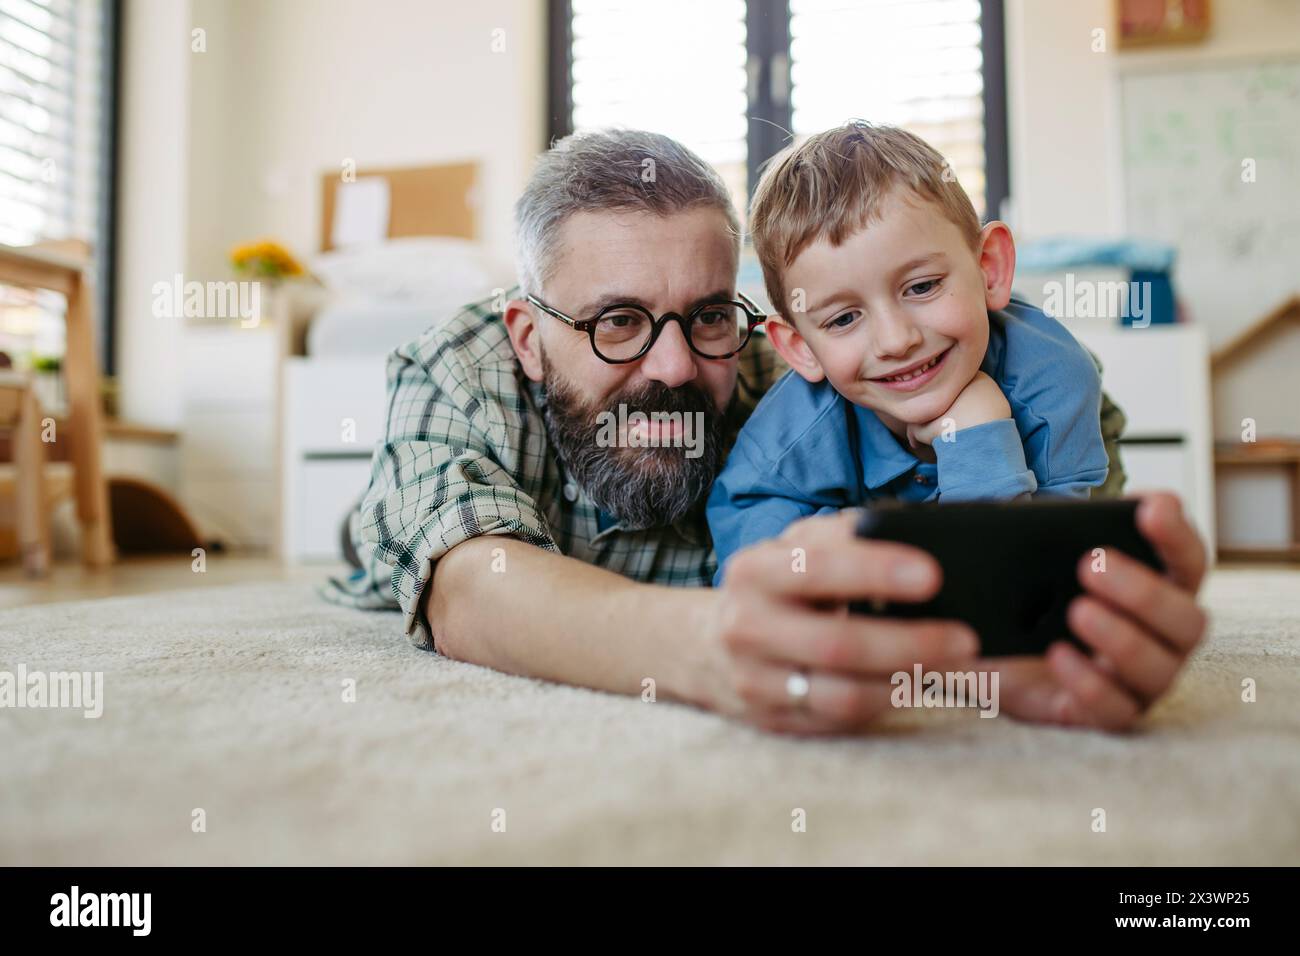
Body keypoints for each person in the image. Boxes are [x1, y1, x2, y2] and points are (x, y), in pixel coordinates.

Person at [323, 128, 1208, 735]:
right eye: (619, 322)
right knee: (383, 536)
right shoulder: (462, 367)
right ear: (528, 333)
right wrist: (713, 646)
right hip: (398, 539)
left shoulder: (787, 373)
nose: (673, 368)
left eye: (706, 314)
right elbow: (474, 590)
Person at [709, 121, 1114, 576]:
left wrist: (978, 438)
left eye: (921, 287)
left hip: (1073, 446)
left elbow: (1020, 576)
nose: (897, 340)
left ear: (989, 269)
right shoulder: (794, 432)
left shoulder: (1055, 385)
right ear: (801, 348)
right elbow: (748, 550)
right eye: (843, 318)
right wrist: (855, 540)